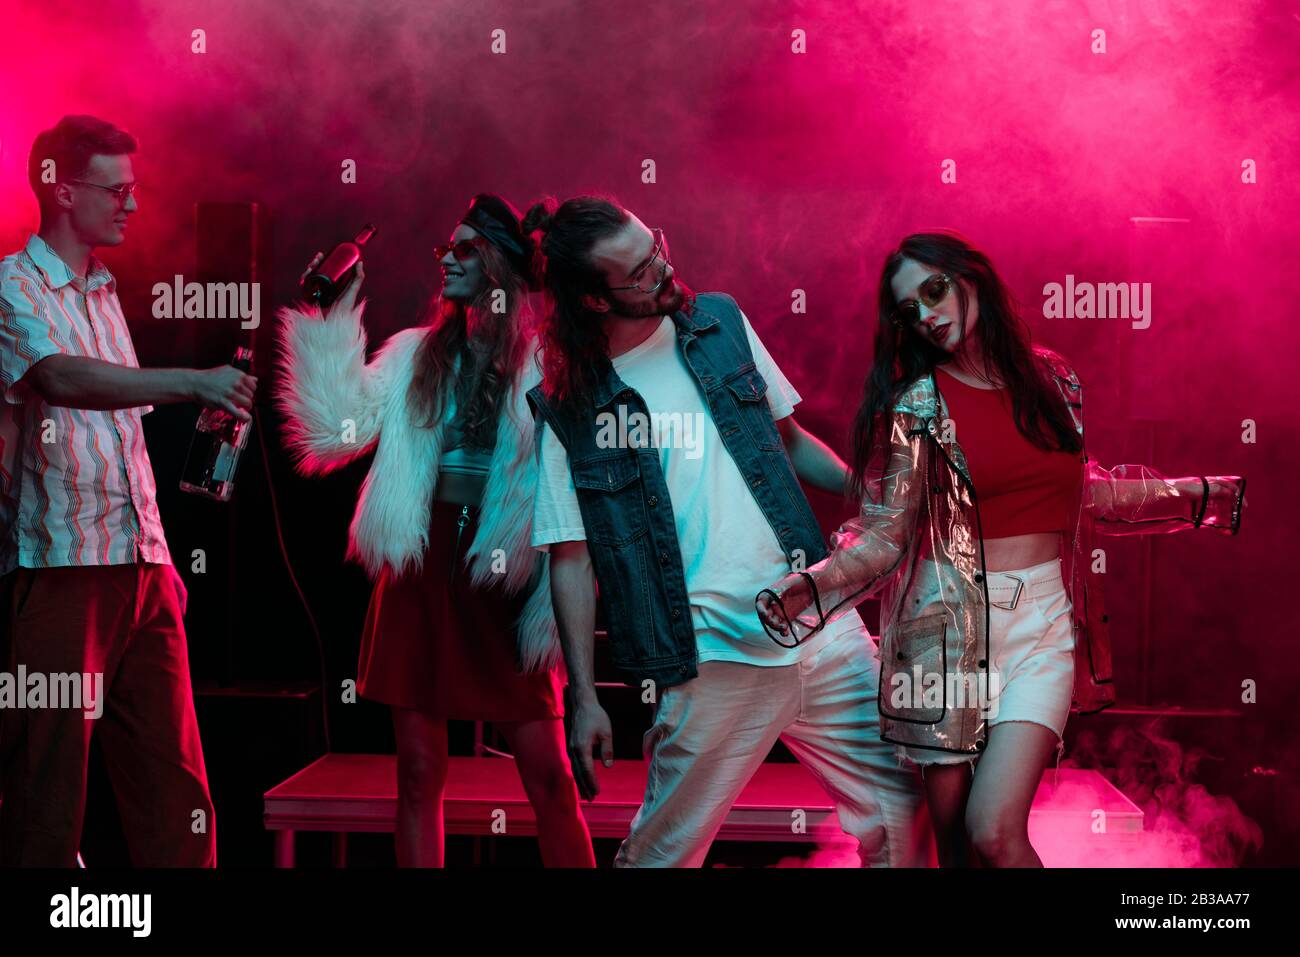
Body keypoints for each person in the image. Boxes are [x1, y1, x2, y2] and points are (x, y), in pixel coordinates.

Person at [758, 230, 1246, 867]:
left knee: (995, 830)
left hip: (1043, 624)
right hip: (944, 631)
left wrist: (1197, 498)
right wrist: (810, 589)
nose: (927, 316)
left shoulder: (1053, 379)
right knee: (960, 850)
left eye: (935, 291)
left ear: (973, 279)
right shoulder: (916, 407)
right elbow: (886, 535)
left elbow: (1080, 497)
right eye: (911, 310)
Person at [524, 195, 928, 867]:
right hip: (713, 655)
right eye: (639, 271)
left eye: (654, 246)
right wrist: (585, 700)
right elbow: (568, 559)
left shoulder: (720, 323)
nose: (662, 267)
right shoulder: (570, 408)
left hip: (818, 621)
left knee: (906, 817)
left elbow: (791, 443)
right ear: (595, 301)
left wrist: (884, 494)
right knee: (662, 858)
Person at [275, 194, 594, 867]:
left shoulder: (548, 363)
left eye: (466, 248)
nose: (447, 258)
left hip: (504, 575)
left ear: (503, 266)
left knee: (552, 776)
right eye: (445, 249)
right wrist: (331, 320)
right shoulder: (413, 353)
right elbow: (335, 434)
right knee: (418, 773)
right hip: (422, 569)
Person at [0, 115, 252, 866]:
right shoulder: (10, 285)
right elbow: (60, 377)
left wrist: (163, 560)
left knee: (180, 800)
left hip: (143, 571)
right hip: (59, 571)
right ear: (63, 190)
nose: (133, 206)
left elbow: (122, 431)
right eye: (118, 190)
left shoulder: (105, 294)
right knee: (43, 804)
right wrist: (192, 380)